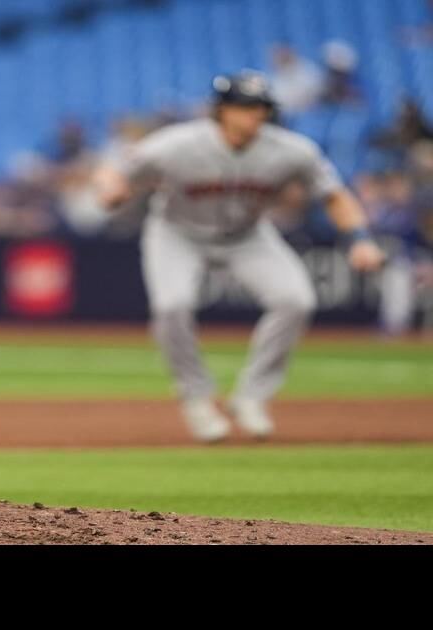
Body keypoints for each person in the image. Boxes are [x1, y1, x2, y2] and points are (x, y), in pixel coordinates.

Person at [93, 72, 386, 442]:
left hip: (247, 235)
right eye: (245, 106)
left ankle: (252, 396)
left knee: (295, 300)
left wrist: (360, 238)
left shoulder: (292, 150)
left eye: (262, 106)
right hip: (177, 234)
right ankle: (196, 397)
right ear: (221, 110)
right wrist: (110, 189)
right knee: (172, 305)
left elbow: (334, 194)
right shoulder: (178, 143)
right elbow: (114, 170)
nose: (255, 113)